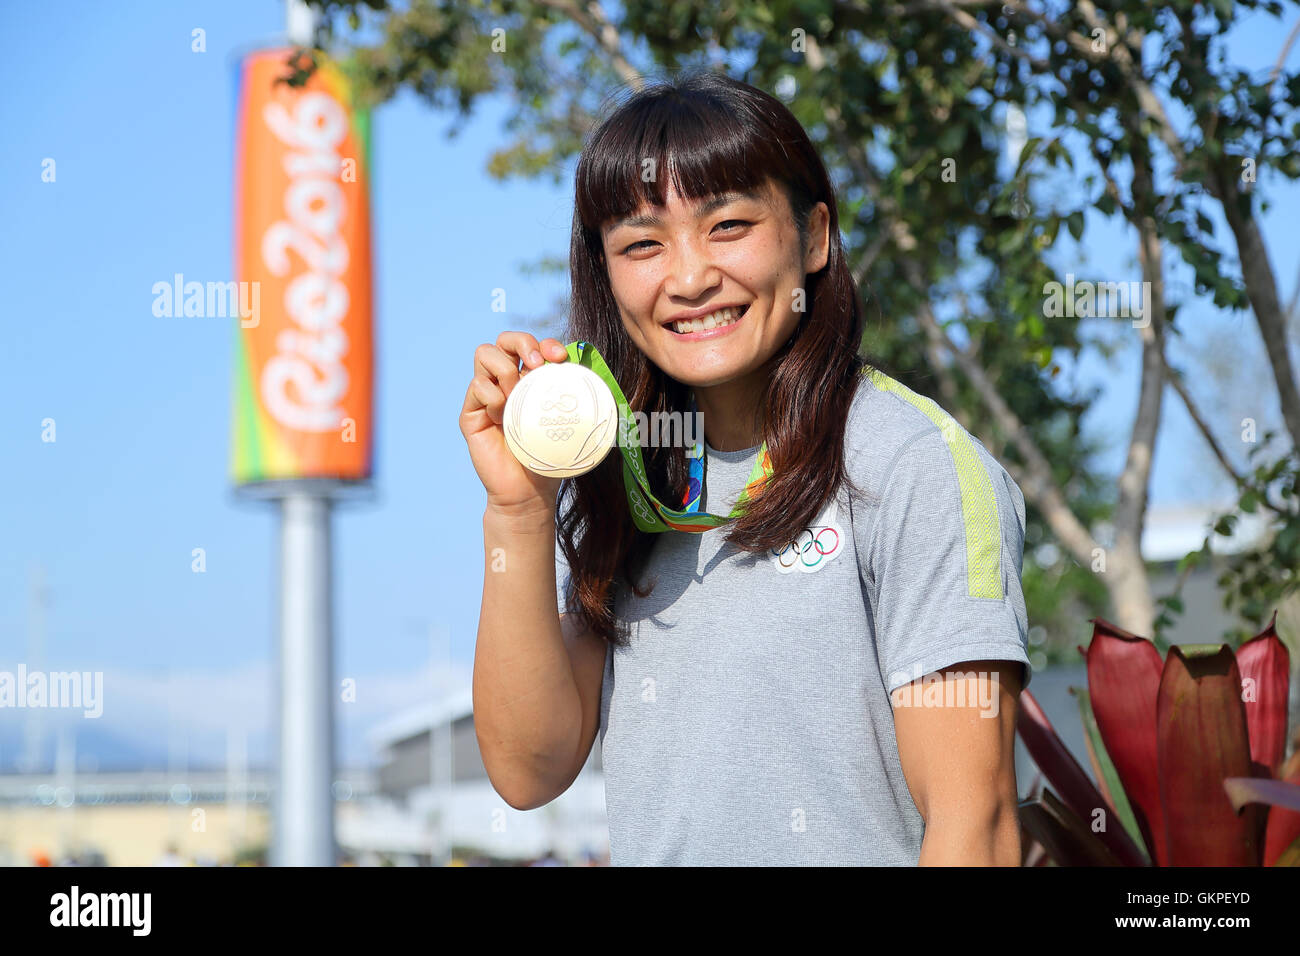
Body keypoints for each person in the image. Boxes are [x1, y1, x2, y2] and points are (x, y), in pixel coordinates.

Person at [461, 70, 1030, 866]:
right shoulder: (635, 473)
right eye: (642, 243)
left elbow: (978, 829)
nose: (689, 278)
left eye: (728, 225)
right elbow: (529, 769)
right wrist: (519, 512)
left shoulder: (912, 463)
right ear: (606, 272)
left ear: (816, 236)